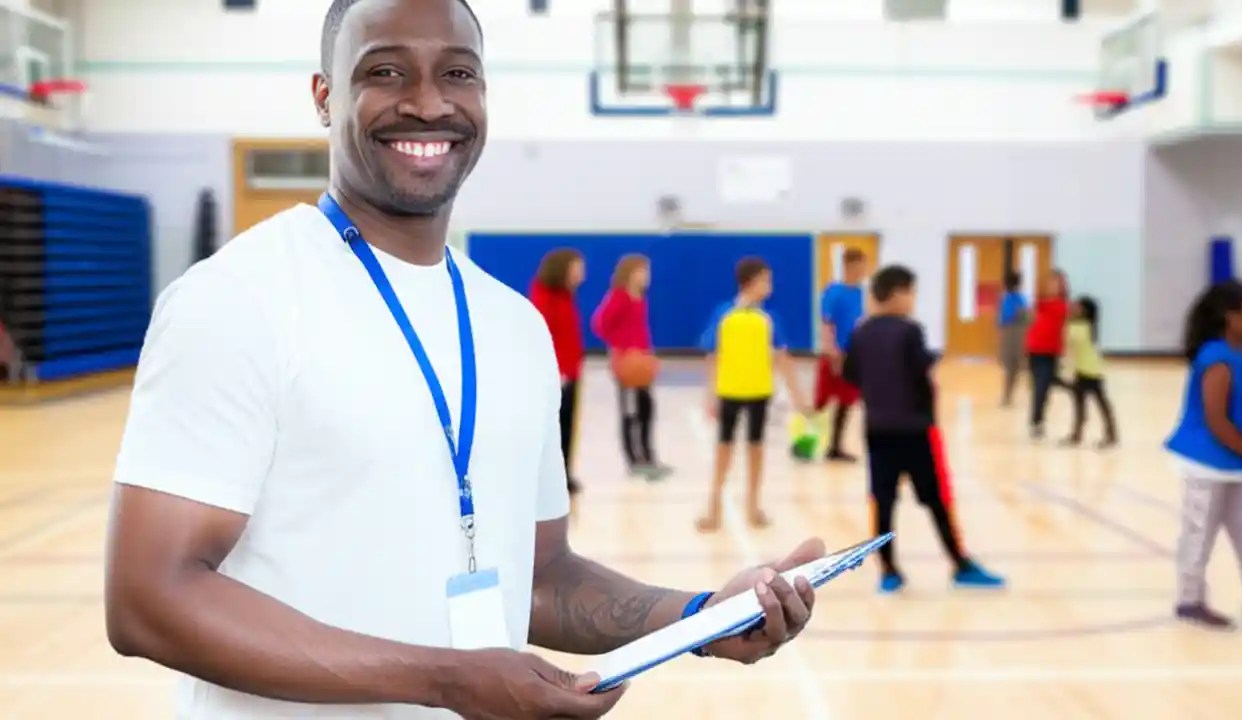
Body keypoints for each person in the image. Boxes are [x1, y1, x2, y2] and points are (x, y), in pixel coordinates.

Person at [102, 2, 825, 718]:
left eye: (458, 73)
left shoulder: (514, 326)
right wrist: (445, 681)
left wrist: (701, 618)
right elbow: (148, 599)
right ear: (325, 97)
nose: (428, 102)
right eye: (385, 71)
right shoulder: (236, 300)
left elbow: (538, 578)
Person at [843, 265, 1004, 594]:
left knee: (883, 501)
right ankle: (960, 564)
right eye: (912, 293)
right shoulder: (909, 330)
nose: (913, 300)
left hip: (877, 430)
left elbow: (850, 374)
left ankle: (888, 571)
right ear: (899, 293)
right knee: (936, 500)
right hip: (915, 430)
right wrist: (931, 361)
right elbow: (919, 371)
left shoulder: (861, 332)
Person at [1165, 279, 1242, 630]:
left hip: (1236, 462)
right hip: (1206, 461)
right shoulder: (1215, 358)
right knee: (1198, 534)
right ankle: (1189, 601)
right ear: (1232, 317)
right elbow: (1216, 417)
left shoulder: (1240, 355)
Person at [696, 257, 808, 533]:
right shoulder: (724, 314)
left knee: (756, 448)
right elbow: (713, 355)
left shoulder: (768, 318)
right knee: (724, 449)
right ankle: (714, 508)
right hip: (730, 391)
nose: (769, 286)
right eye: (765, 280)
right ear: (751, 282)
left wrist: (798, 396)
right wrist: (710, 396)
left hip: (759, 392)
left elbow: (783, 358)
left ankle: (754, 506)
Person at [590, 254, 672, 481]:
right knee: (630, 412)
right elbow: (599, 324)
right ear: (629, 273)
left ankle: (648, 456)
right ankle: (633, 460)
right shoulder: (619, 297)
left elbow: (640, 331)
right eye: (642, 271)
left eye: (647, 272)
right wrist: (620, 348)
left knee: (647, 410)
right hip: (626, 363)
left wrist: (648, 353)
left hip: (642, 361)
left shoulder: (640, 298)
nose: (646, 276)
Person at [529, 248, 586, 496]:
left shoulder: (566, 296)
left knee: (568, 426)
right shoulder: (544, 298)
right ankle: (547, 479)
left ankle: (563, 474)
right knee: (552, 429)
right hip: (555, 376)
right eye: (577, 268)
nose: (581, 274)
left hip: (570, 373)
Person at [813, 248, 867, 462]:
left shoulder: (862, 294)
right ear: (848, 266)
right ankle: (803, 440)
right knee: (821, 402)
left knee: (847, 401)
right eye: (859, 265)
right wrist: (832, 351)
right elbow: (827, 323)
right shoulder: (833, 292)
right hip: (834, 354)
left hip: (853, 355)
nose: (863, 270)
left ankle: (835, 447)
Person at [1061, 296, 1117, 448]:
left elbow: (1067, 341)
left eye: (1077, 307)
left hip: (1087, 371)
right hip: (1091, 370)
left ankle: (1079, 434)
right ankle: (1110, 434)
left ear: (1084, 310)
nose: (1073, 308)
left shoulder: (1077, 327)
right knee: (1097, 403)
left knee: (1083, 404)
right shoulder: (1090, 327)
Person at [1025, 269, 1070, 438]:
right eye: (1051, 282)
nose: (1054, 285)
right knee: (1040, 386)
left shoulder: (1064, 305)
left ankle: (1037, 420)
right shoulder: (1040, 302)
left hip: (1051, 351)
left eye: (1057, 282)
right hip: (1035, 349)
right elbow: (1030, 316)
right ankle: (1037, 421)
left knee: (1045, 386)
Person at [996, 272, 1028, 408]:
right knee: (1013, 368)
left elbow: (1004, 319)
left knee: (1011, 368)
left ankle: (1007, 396)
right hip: (1018, 335)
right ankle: (1008, 395)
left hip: (1012, 335)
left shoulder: (1009, 299)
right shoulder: (1020, 299)